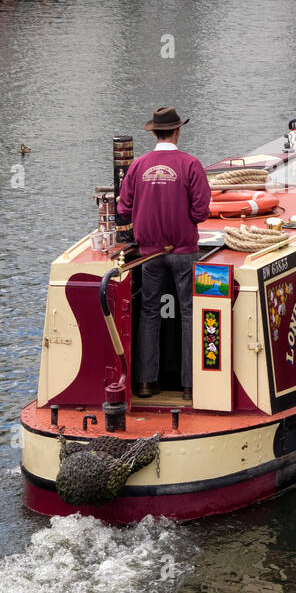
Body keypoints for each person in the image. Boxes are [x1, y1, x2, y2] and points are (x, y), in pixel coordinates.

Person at [117, 107, 212, 402]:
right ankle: (190, 385)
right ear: (178, 131)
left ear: (155, 133)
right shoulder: (191, 165)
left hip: (149, 253)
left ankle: (146, 382)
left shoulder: (138, 166)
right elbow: (201, 211)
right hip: (184, 251)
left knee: (148, 312)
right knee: (189, 313)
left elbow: (123, 208)